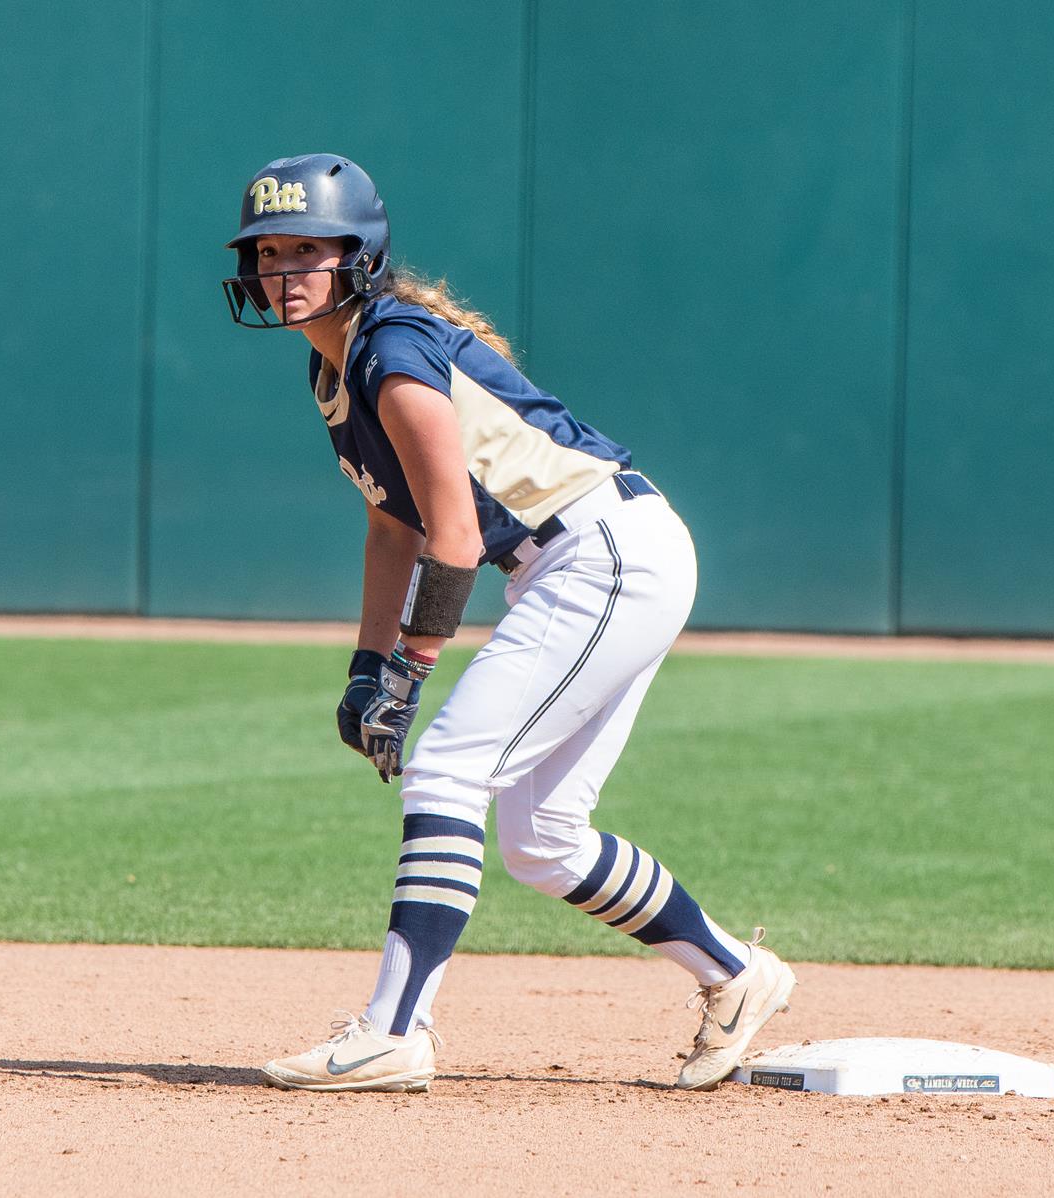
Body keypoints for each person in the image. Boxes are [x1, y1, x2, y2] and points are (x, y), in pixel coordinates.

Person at [221, 154, 795, 1093]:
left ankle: (393, 1031)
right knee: (544, 837)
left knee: (449, 766)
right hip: (587, 561)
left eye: (306, 250)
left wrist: (409, 670)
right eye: (267, 251)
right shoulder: (335, 367)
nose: (282, 270)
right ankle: (736, 975)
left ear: (356, 256)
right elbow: (391, 522)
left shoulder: (393, 355)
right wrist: (366, 665)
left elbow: (451, 538)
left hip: (602, 553)